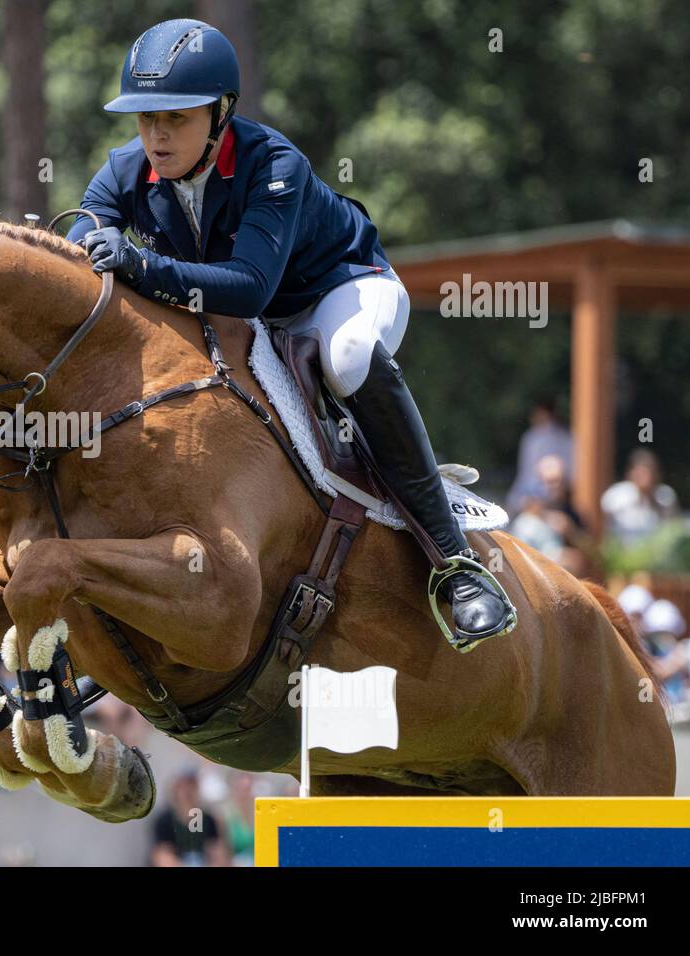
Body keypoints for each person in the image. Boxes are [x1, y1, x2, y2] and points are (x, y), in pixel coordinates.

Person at [67, 18, 515, 650]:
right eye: (145, 120)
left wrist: (137, 263)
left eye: (176, 118)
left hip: (338, 292)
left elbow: (249, 284)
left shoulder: (273, 162)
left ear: (221, 113)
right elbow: (75, 252)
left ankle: (456, 565)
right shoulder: (123, 171)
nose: (157, 136)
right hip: (249, 320)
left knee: (349, 358)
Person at [506, 399, 575, 514]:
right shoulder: (567, 437)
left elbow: (527, 475)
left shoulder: (533, 437)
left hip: (536, 494)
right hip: (558, 495)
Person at [601, 449, 680, 547]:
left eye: (650, 474)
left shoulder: (666, 497)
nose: (646, 479)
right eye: (641, 474)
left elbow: (673, 530)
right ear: (631, 474)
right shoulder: (616, 497)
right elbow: (605, 532)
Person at [149, 768, 229, 866]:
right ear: (175, 789)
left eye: (192, 785)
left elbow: (218, 853)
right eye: (183, 786)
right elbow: (162, 856)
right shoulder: (164, 820)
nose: (188, 791)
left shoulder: (208, 819)